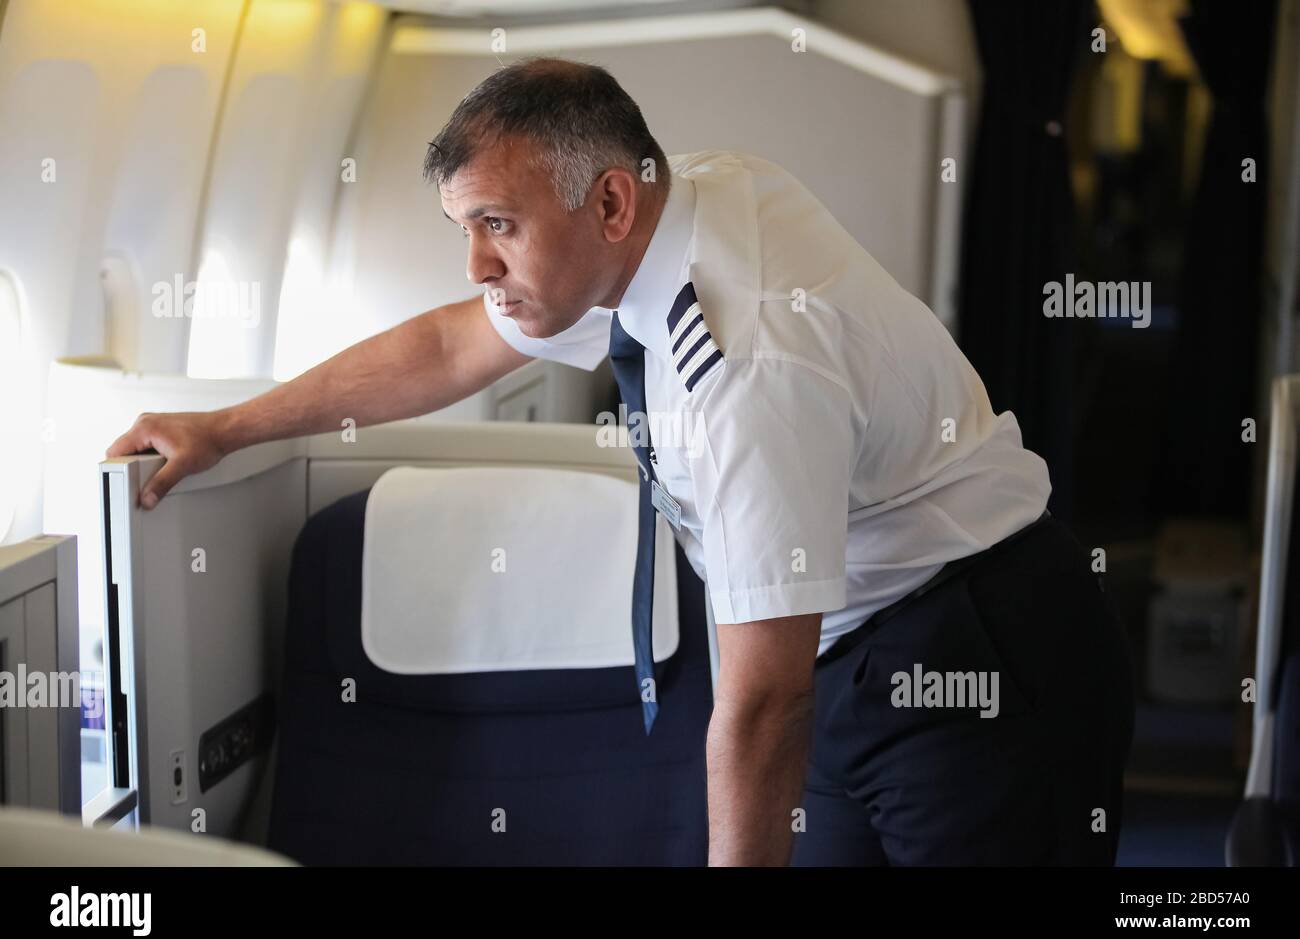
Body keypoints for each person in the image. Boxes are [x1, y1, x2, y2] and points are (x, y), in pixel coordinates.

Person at [107, 57, 1135, 866]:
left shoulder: (745, 359)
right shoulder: (667, 214)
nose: (477, 265)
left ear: (607, 204)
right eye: (465, 228)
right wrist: (229, 427)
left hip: (976, 656)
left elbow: (762, 698)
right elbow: (448, 345)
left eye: (497, 227)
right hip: (858, 645)